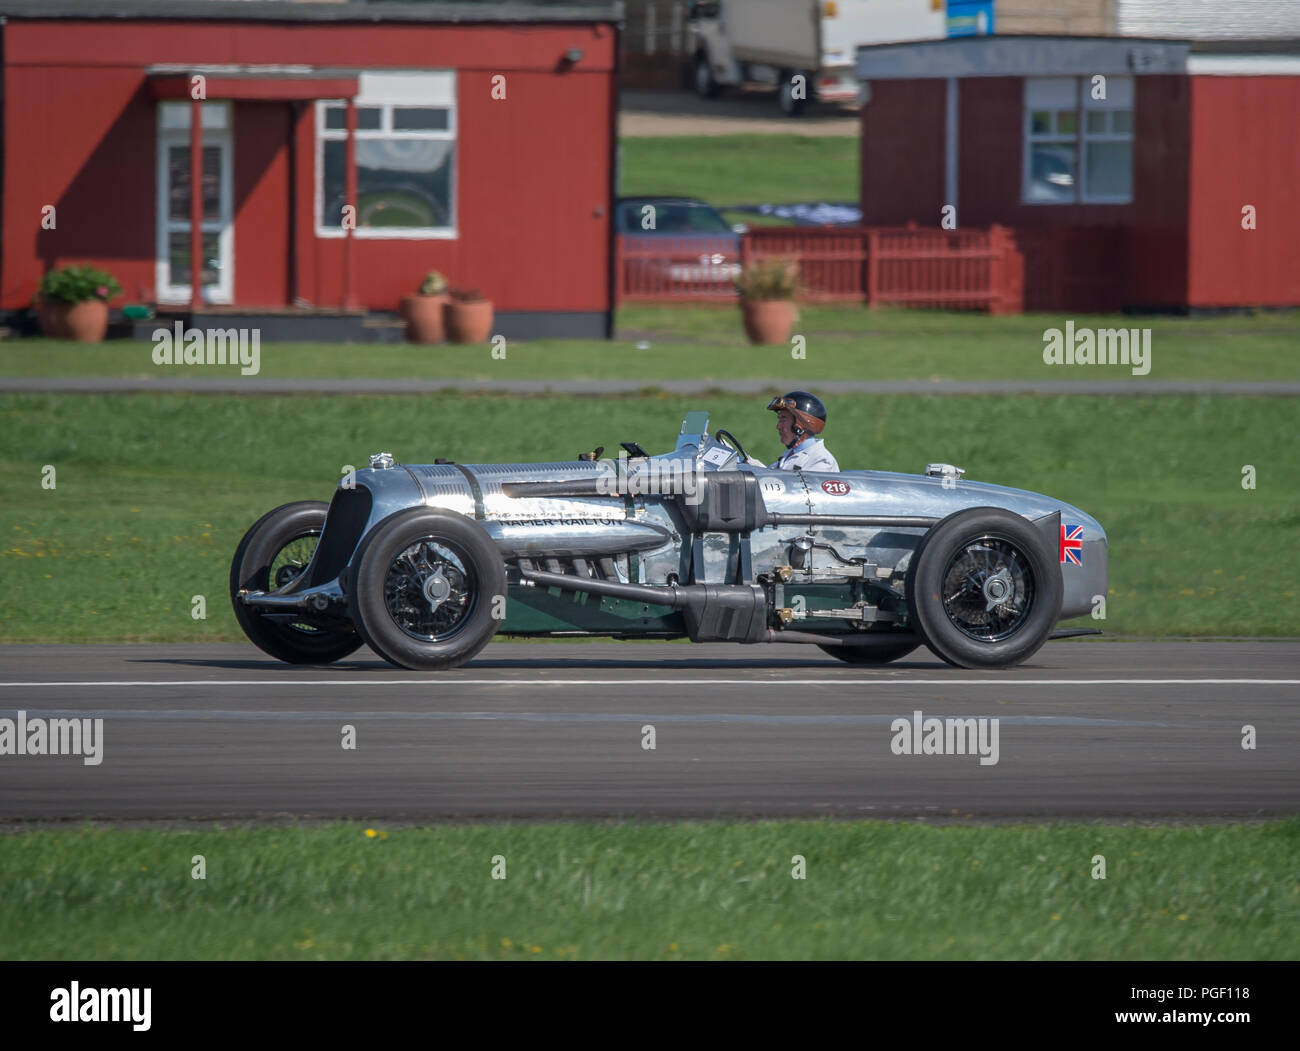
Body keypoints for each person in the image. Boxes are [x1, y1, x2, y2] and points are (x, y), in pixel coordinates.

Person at [759, 390, 839, 472]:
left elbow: (798, 483)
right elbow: (768, 473)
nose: (778, 426)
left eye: (783, 419)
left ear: (800, 425)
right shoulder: (790, 454)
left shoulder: (821, 461)